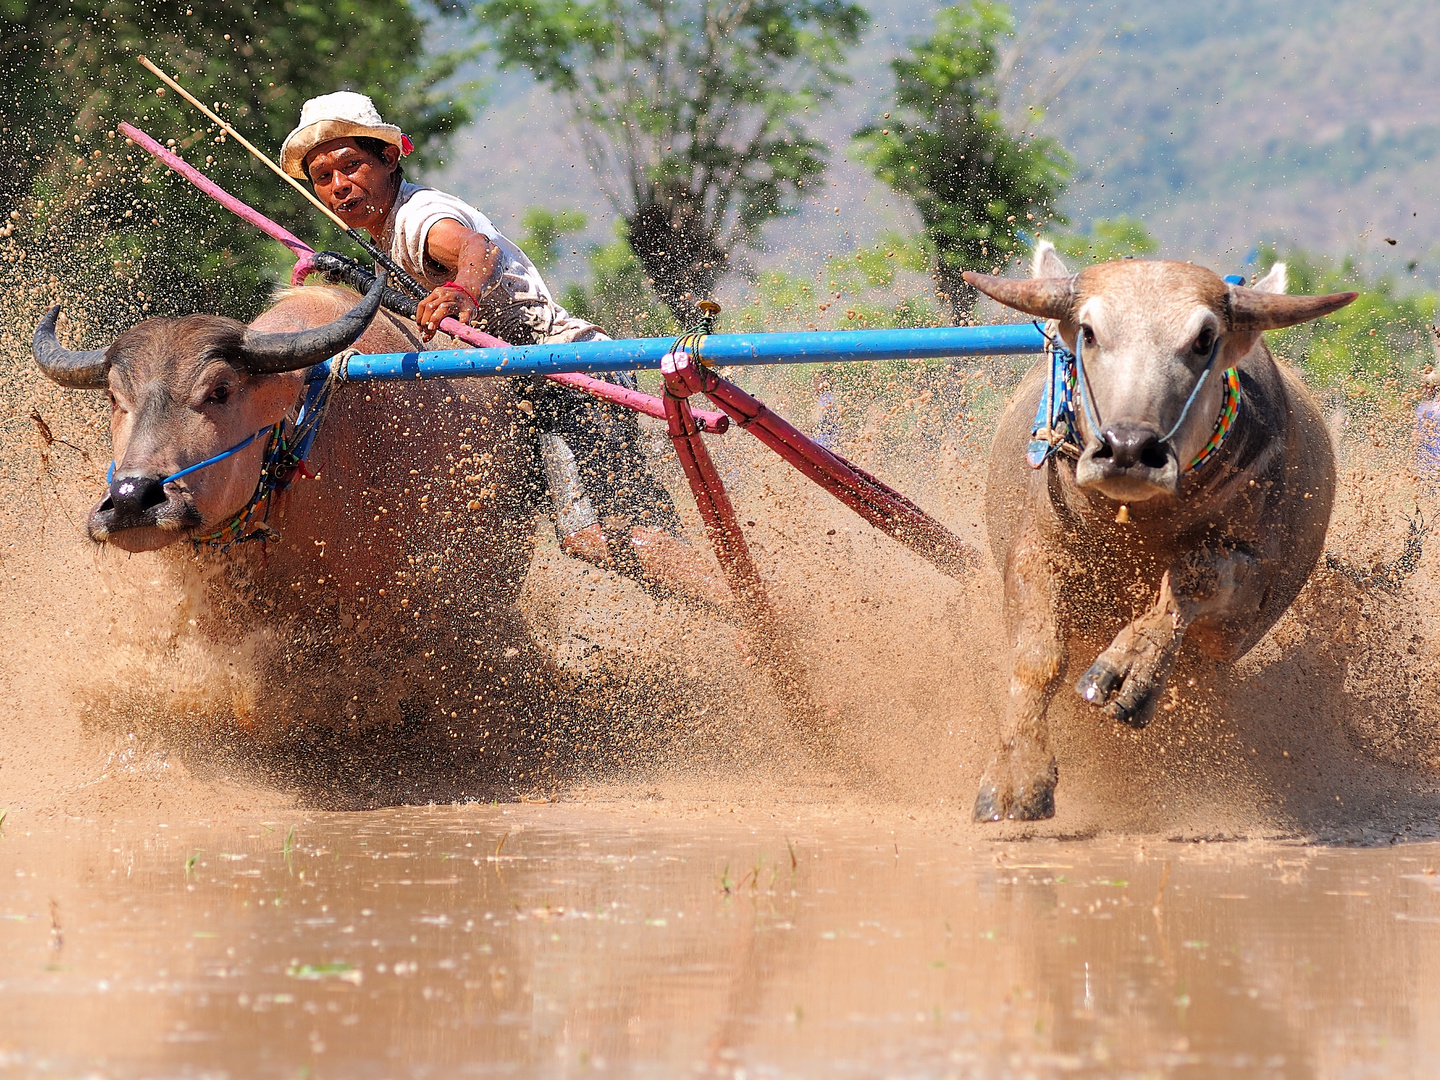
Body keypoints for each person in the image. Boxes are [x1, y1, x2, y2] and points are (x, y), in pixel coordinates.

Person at [278, 92, 726, 606]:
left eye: (351, 166)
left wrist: (460, 290)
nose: (339, 186)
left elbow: (476, 248)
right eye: (323, 177)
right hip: (516, 397)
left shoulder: (417, 218)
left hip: (565, 372)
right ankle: (734, 605)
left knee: (596, 532)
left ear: (388, 158)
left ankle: (745, 608)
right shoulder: (385, 237)